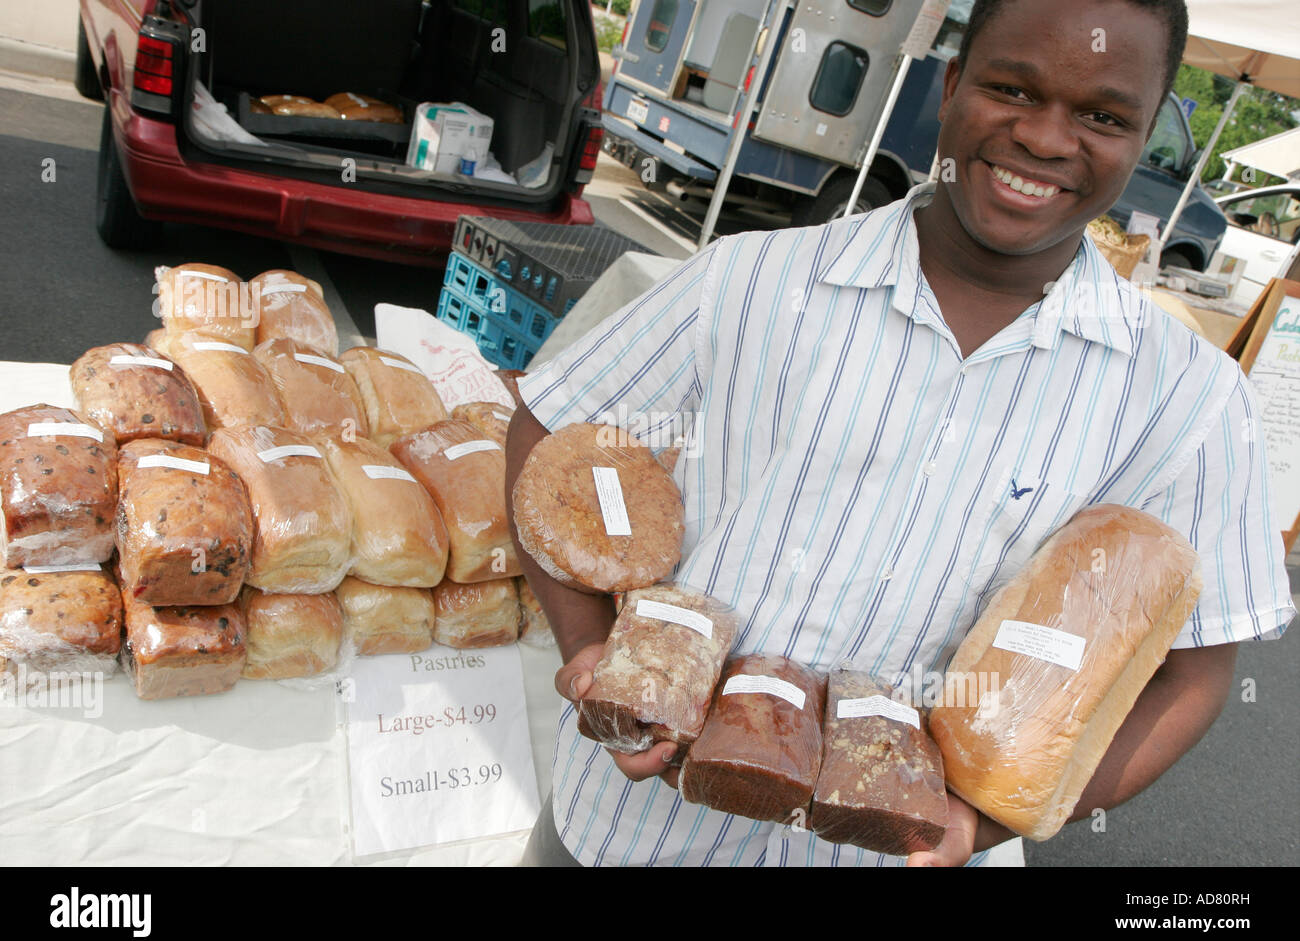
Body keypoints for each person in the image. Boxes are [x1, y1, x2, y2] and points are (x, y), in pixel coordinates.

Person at [505, 0, 1296, 867]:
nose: (1044, 138)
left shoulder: (1187, 399)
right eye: (1012, 88)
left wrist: (984, 823)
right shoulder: (752, 279)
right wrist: (589, 648)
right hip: (630, 833)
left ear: (1143, 140)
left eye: (1103, 116)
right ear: (952, 85)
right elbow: (553, 426)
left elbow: (1192, 670)